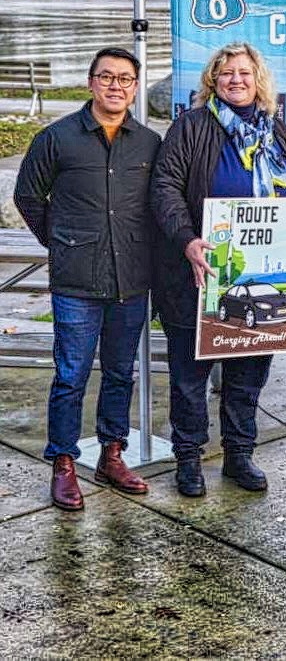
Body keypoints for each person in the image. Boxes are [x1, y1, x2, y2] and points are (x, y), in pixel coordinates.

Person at [151, 43, 286, 498]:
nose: (236, 80)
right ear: (212, 81)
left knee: (249, 373)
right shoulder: (191, 126)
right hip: (197, 274)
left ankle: (239, 454)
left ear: (259, 80)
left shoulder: (277, 131)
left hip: (262, 274)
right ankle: (189, 458)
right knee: (190, 377)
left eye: (244, 72)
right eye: (226, 73)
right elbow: (165, 186)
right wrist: (187, 239)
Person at [15, 47, 160, 511]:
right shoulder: (56, 138)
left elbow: (159, 204)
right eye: (107, 77)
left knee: (120, 371)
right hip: (76, 280)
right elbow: (28, 197)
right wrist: (63, 241)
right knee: (71, 374)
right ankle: (63, 463)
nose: (116, 85)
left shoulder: (149, 143)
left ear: (135, 88)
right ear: (91, 82)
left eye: (125, 79)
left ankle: (111, 455)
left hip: (131, 278)